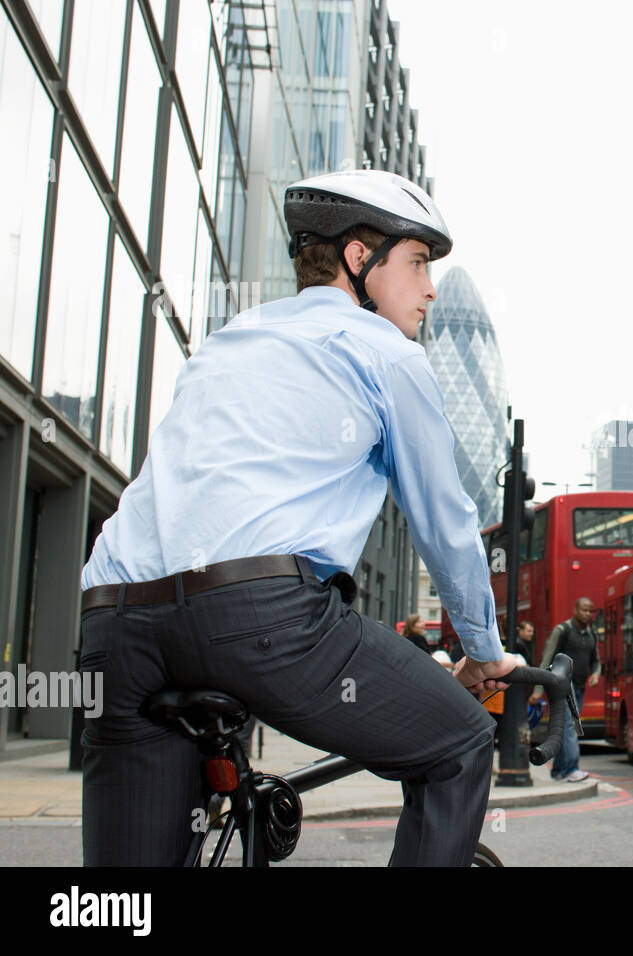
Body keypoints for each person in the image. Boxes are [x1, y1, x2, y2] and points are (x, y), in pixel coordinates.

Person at [77, 169, 514, 867]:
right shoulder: (385, 353)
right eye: (419, 262)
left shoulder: (228, 341)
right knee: (459, 744)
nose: (431, 288)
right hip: (256, 620)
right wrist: (485, 653)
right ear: (358, 259)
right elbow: (446, 523)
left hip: (112, 624)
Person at [531, 598, 601, 782]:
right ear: (575, 609)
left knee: (563, 727)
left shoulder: (591, 634)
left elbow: (596, 660)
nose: (587, 614)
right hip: (561, 686)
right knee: (570, 726)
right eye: (584, 610)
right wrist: (538, 689)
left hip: (579, 686)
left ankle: (558, 771)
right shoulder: (562, 631)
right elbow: (547, 658)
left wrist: (595, 674)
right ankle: (571, 769)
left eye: (590, 611)